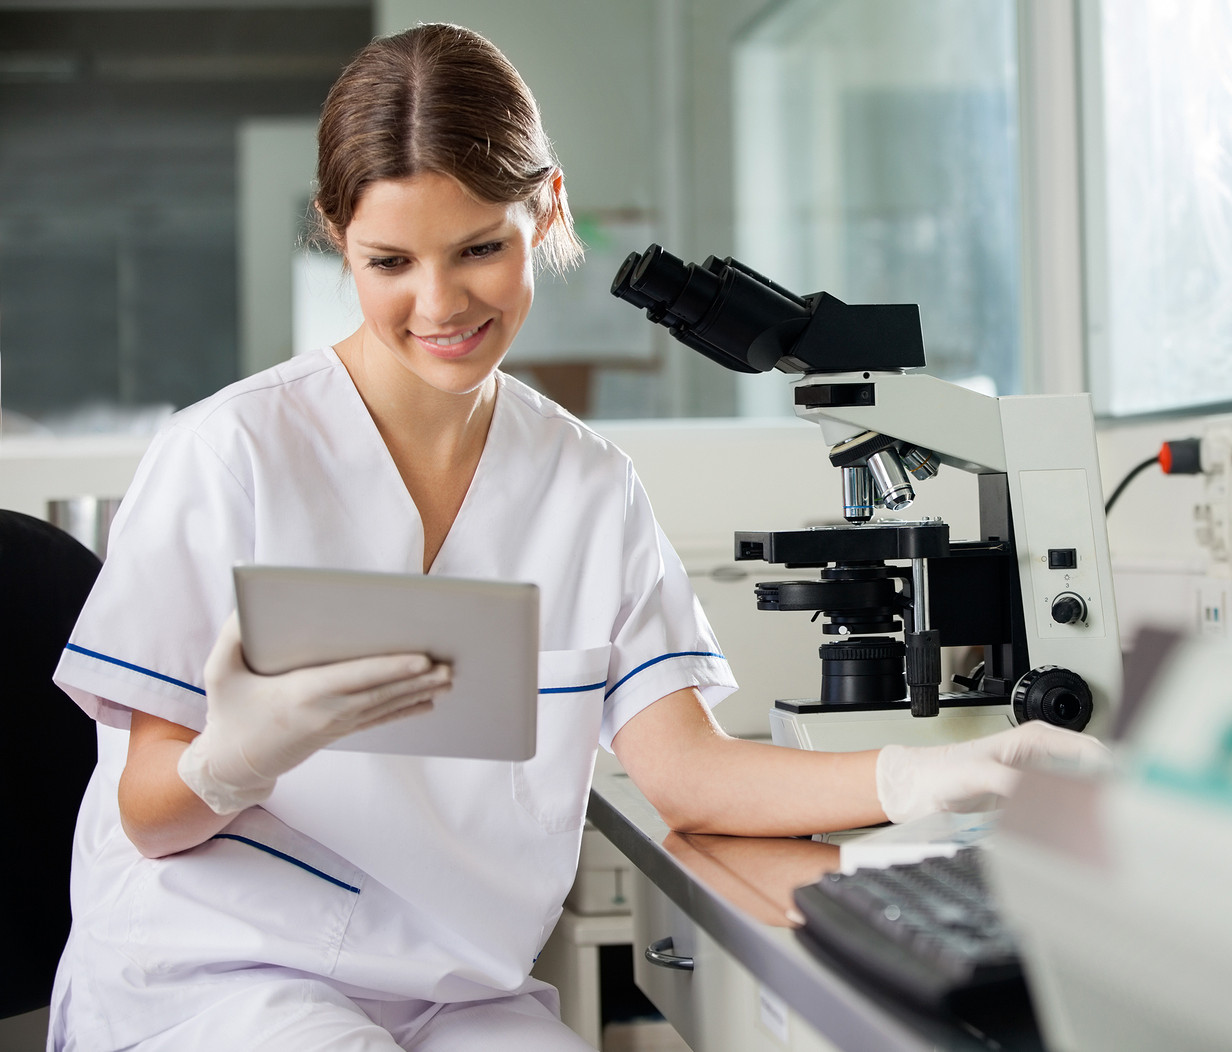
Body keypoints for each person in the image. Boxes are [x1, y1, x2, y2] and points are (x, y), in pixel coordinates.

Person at [47, 22, 1108, 1052]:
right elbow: (151, 818)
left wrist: (927, 778)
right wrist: (233, 759)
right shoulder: (227, 455)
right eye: (387, 262)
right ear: (337, 239)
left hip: (456, 991)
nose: (438, 303)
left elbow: (686, 770)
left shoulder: (588, 485)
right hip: (226, 973)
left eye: (478, 248)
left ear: (545, 210)